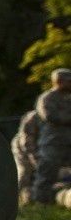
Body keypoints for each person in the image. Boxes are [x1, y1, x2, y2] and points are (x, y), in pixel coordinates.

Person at [31, 68, 71, 204]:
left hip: (68, 142)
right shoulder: (47, 98)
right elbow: (51, 116)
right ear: (58, 82)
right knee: (47, 173)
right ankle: (41, 203)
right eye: (68, 81)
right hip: (53, 142)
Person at [12, 109, 42, 204]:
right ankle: (17, 200)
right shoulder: (33, 117)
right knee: (25, 171)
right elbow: (26, 142)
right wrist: (36, 161)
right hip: (22, 146)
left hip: (42, 146)